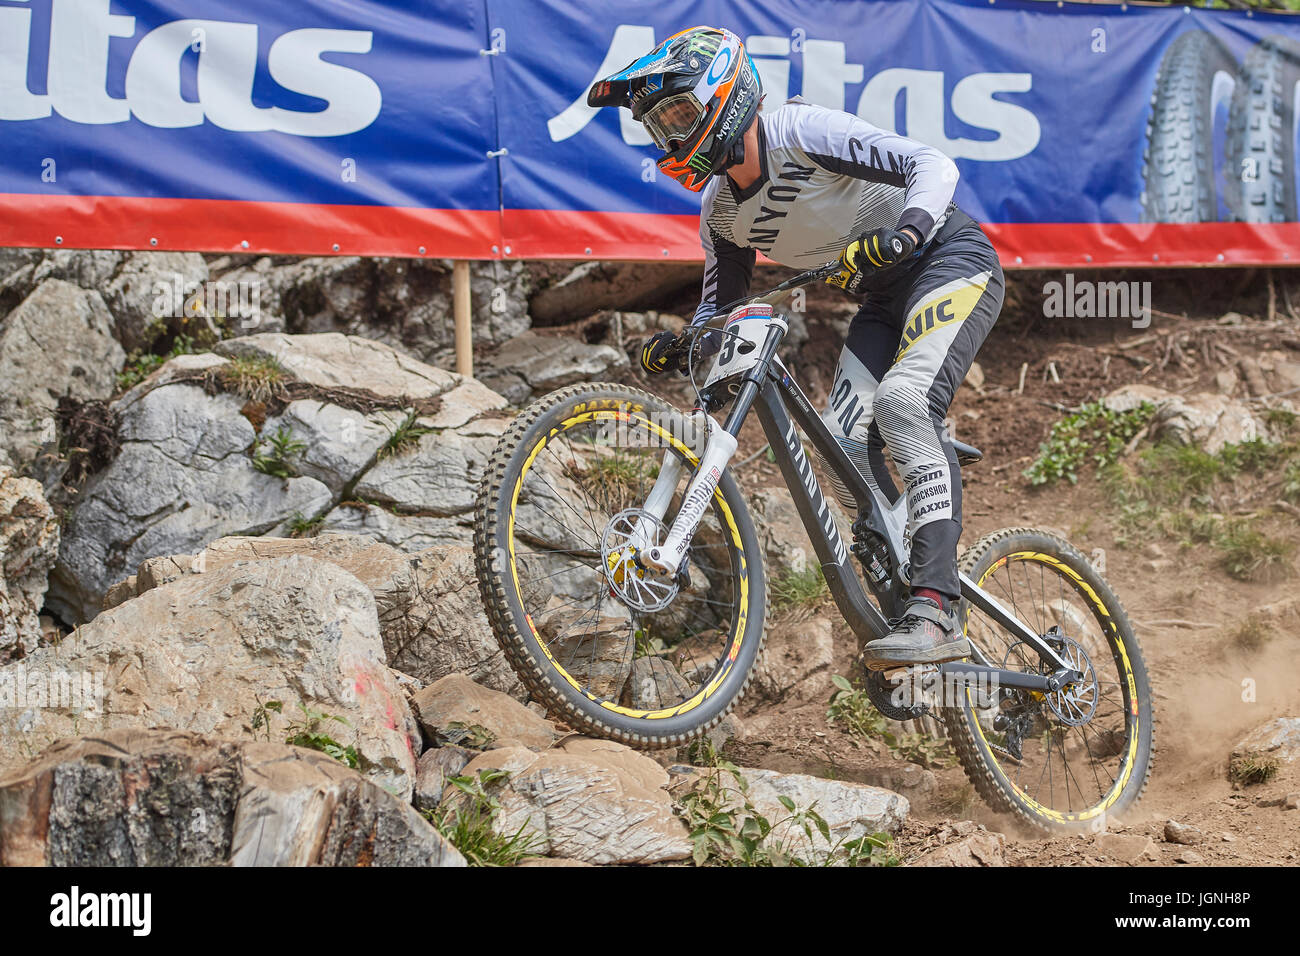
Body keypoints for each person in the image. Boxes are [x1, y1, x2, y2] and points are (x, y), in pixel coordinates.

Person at [587, 25, 1004, 668]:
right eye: (659, 126)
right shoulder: (721, 212)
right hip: (882, 302)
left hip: (948, 258)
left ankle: (938, 606)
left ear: (724, 91)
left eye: (679, 114)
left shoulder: (798, 132)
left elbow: (933, 165)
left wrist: (908, 231)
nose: (672, 136)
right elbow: (718, 310)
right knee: (840, 444)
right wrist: (685, 342)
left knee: (901, 405)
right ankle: (909, 563)